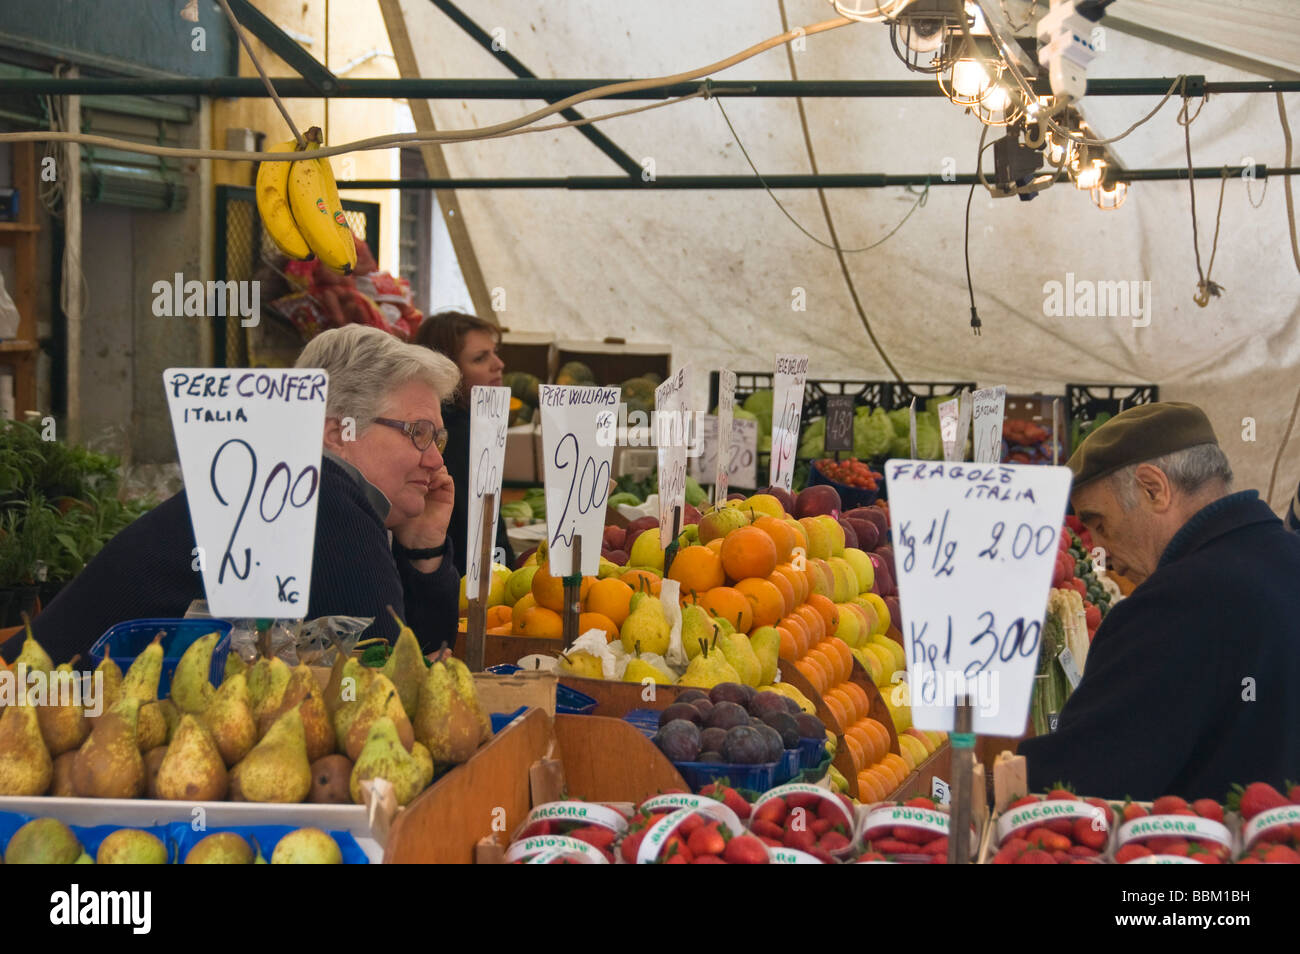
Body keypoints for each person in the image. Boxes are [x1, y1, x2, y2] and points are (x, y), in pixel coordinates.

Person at [3, 326, 462, 663]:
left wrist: (425, 548)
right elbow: (397, 682)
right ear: (336, 433)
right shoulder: (320, 496)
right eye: (417, 433)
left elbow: (414, 662)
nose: (435, 461)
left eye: (437, 439)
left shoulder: (285, 483)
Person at [1018, 402, 1300, 800]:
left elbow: (1080, 778)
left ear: (1154, 488)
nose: (1100, 549)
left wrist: (1006, 785)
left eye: (1099, 523)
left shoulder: (1172, 606)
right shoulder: (1289, 559)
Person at [414, 311, 515, 578]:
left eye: (494, 353)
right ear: (447, 371)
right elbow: (476, 530)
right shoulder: (454, 435)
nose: (499, 364)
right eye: (481, 358)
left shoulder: (474, 423)